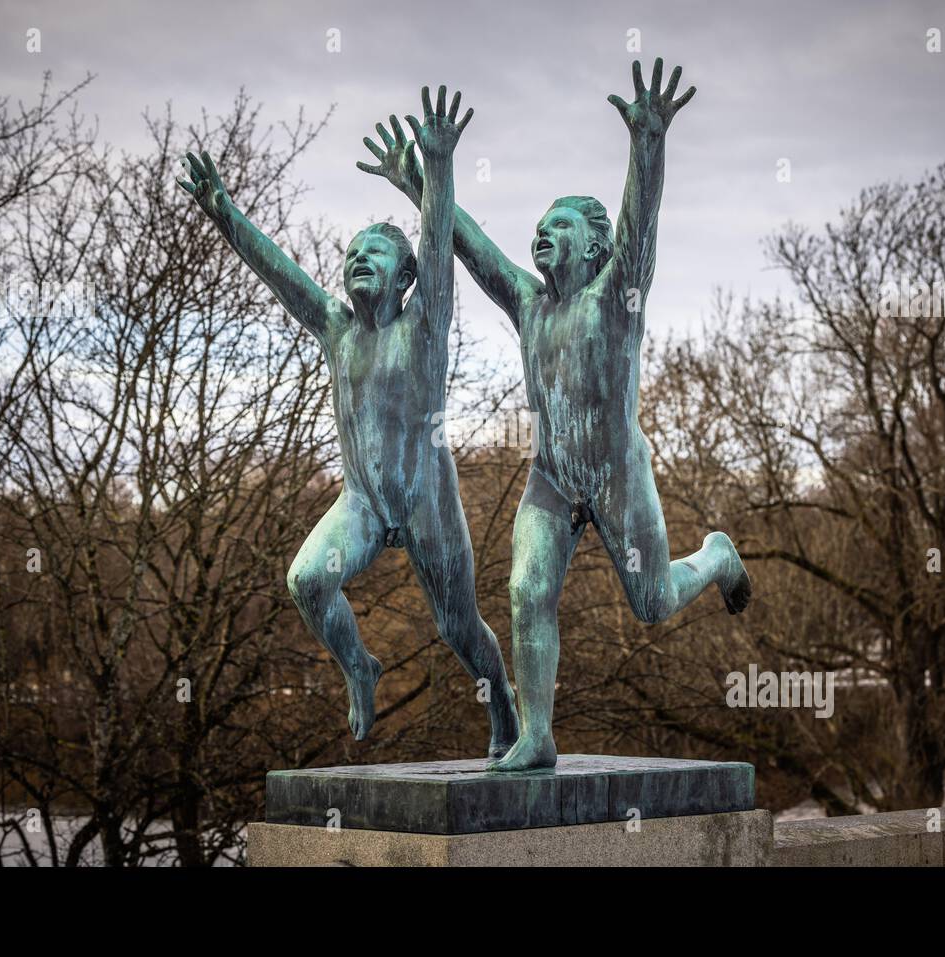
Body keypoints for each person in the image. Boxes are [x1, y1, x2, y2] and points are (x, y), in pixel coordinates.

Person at [360, 60, 751, 771]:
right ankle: (537, 733)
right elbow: (471, 247)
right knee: (525, 588)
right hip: (551, 479)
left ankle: (717, 555)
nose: (541, 235)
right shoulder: (529, 303)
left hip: (615, 474)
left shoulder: (615, 295)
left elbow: (642, 221)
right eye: (538, 227)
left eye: (558, 227)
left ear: (594, 247)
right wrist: (419, 182)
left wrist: (647, 143)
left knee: (654, 602)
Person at [180, 86, 519, 757]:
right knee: (306, 579)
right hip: (362, 504)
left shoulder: (425, 324)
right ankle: (359, 665)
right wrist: (225, 215)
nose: (359, 260)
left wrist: (439, 166)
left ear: (405, 278)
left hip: (428, 500)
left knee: (458, 626)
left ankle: (504, 706)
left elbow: (437, 235)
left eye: (376, 254)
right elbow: (279, 272)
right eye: (352, 253)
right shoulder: (337, 329)